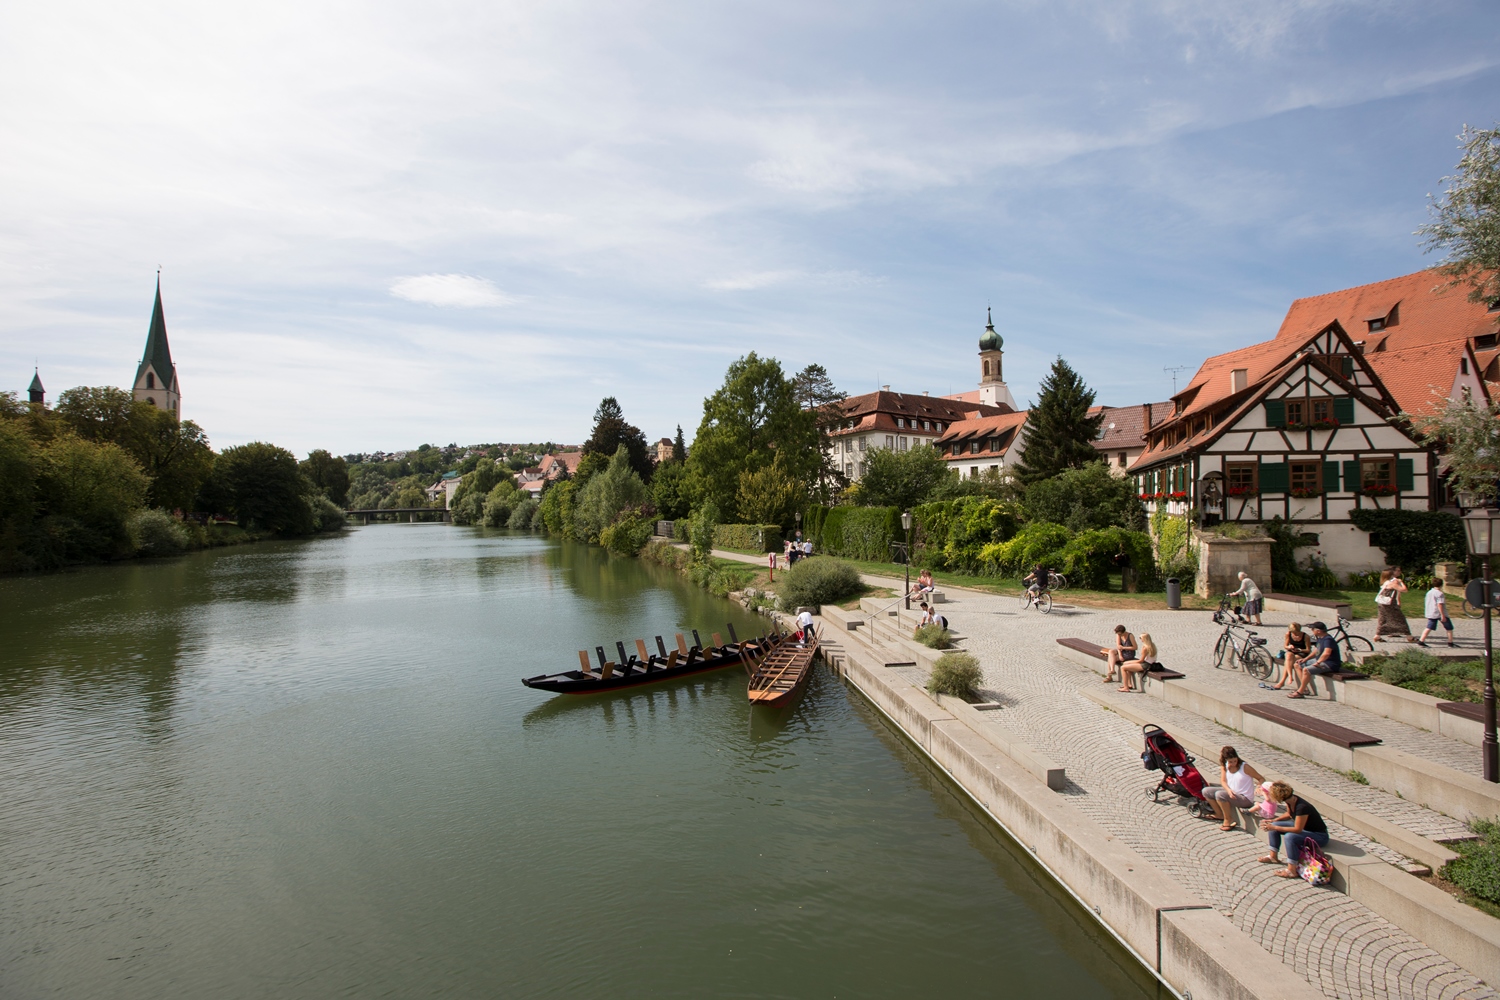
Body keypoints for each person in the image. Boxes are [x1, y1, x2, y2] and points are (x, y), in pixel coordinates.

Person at [1258, 780, 1328, 878]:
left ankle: (1292, 870)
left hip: (1319, 836)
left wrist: (1275, 827)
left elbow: (1297, 829)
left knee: (1290, 837)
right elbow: (1289, 814)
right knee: (1273, 826)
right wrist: (1274, 820)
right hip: (1305, 829)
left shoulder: (1302, 807)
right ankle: (1273, 857)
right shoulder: (1291, 800)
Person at [1205, 746, 1266, 831]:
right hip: (1232, 792)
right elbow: (1223, 781)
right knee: (1206, 791)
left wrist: (1259, 787)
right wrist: (1228, 790)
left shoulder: (1245, 767)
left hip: (1245, 798)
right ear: (1226, 759)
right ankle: (1219, 814)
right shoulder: (1224, 765)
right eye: (1230, 761)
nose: (1233, 763)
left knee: (1220, 795)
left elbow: (1261, 778)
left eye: (1235, 761)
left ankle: (1228, 819)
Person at [1288, 621, 1339, 699]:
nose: (1312, 630)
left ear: (1318, 631)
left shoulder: (1328, 640)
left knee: (1306, 670)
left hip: (1329, 663)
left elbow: (1326, 653)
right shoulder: (1320, 638)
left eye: (1313, 629)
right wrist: (1305, 659)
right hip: (1320, 660)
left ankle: (1300, 692)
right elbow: (1316, 651)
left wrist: (1318, 662)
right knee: (1297, 664)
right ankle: (1305, 689)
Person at [1374, 568, 1413, 642]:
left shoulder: (1386, 582)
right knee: (1400, 619)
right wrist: (1401, 582)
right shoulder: (1392, 583)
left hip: (1382, 603)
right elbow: (1404, 590)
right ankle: (1409, 637)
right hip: (1390, 604)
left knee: (1382, 619)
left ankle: (1377, 636)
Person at [1270, 623, 1310, 690]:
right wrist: (1289, 647)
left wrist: (1300, 650)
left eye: (1296, 632)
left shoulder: (1306, 636)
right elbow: (1285, 646)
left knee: (1288, 662)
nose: (1295, 634)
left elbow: (1308, 650)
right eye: (1293, 632)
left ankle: (1282, 681)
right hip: (1291, 652)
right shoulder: (1288, 634)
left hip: (1301, 653)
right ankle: (1290, 676)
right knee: (1288, 655)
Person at [1418, 581, 1456, 648]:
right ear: (1441, 585)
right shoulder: (1440, 594)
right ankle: (1450, 643)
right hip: (1439, 613)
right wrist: (1442, 615)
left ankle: (1421, 640)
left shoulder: (1429, 592)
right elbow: (1439, 604)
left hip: (1431, 612)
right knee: (1449, 627)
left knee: (1429, 627)